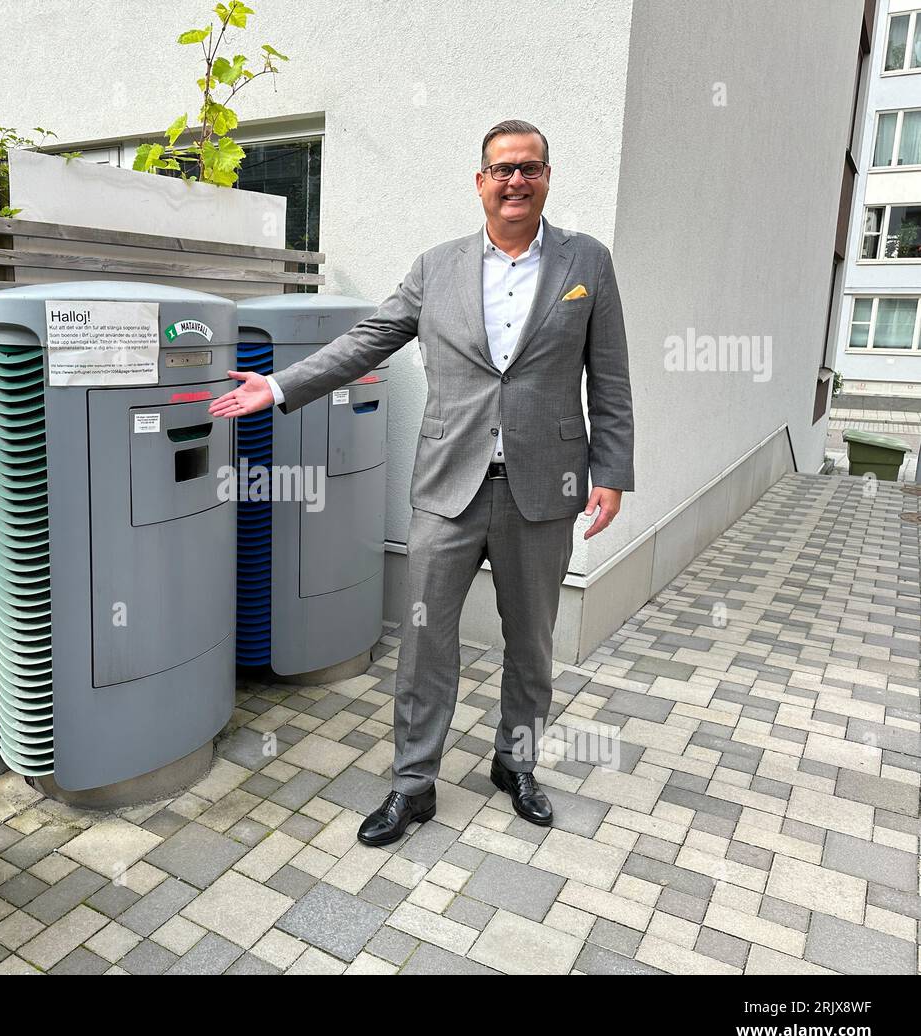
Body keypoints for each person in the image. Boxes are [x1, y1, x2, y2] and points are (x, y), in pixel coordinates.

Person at [208, 119, 634, 845]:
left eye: (529, 168)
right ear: (480, 182)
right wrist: (279, 387)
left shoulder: (585, 261)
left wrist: (613, 471)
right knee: (424, 641)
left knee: (530, 642)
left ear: (547, 177)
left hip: (544, 485)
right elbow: (367, 338)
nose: (515, 181)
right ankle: (413, 784)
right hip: (448, 485)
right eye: (502, 169)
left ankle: (515, 763)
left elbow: (612, 376)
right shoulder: (437, 266)